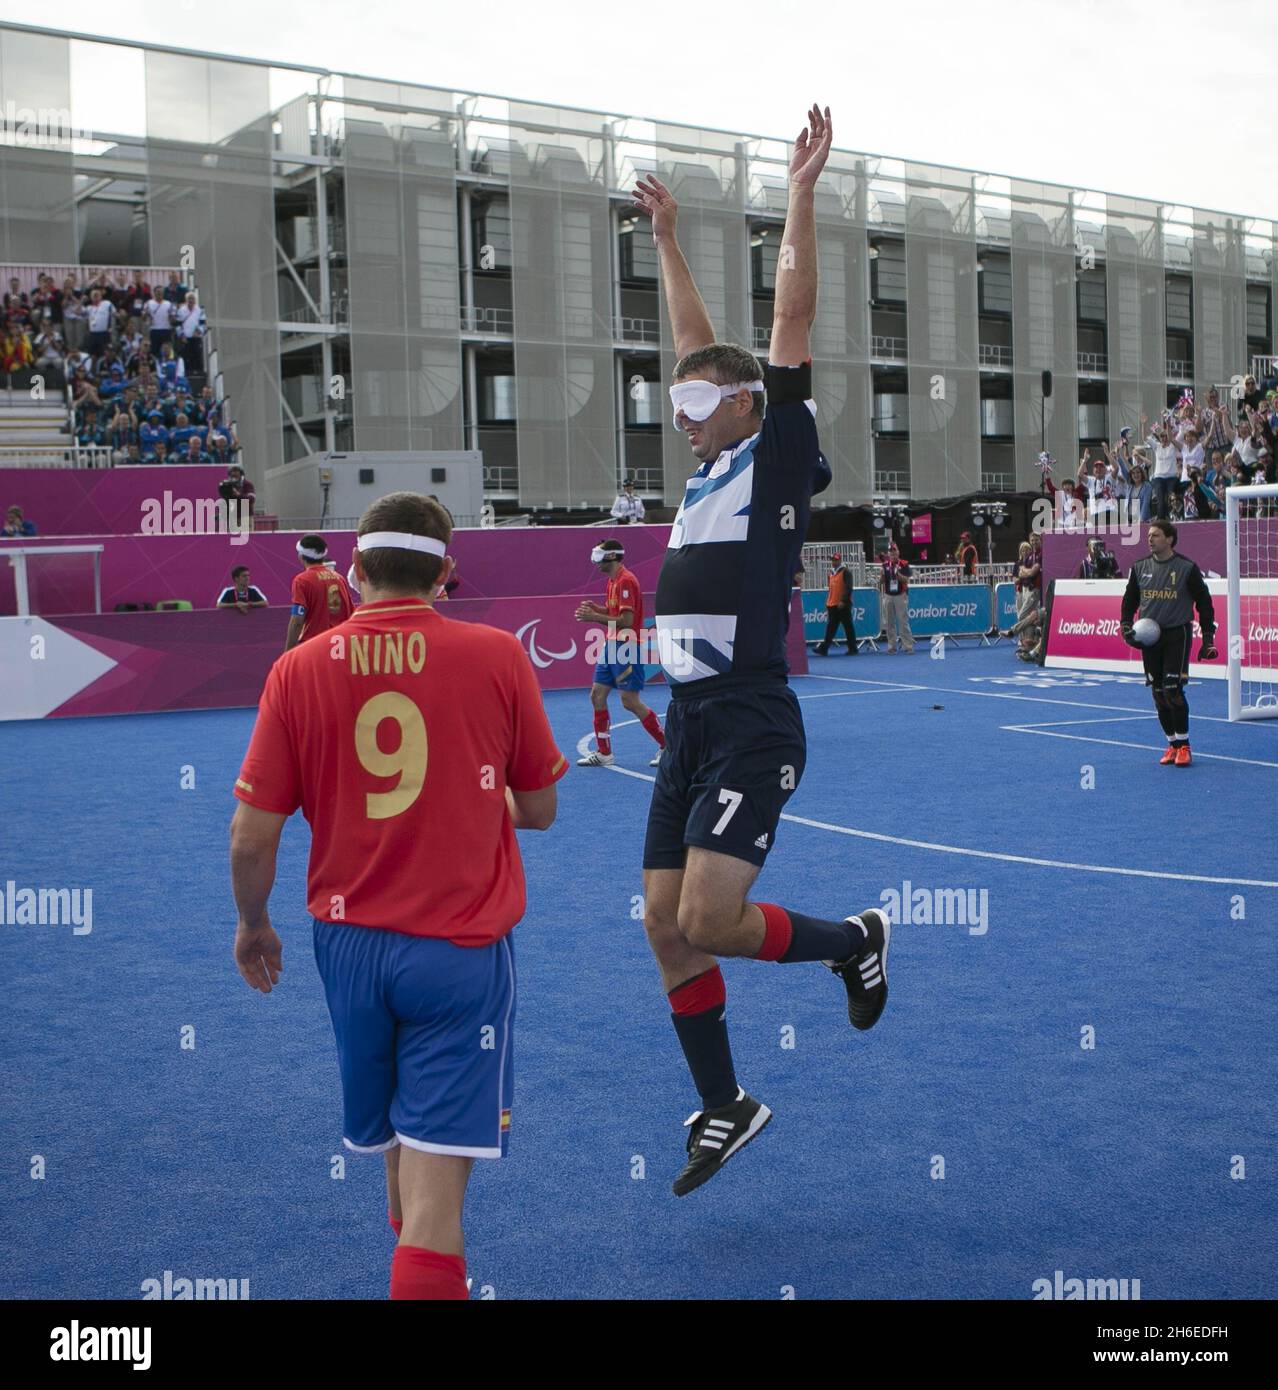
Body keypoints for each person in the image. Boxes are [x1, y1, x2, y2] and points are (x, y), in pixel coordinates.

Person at [630, 105, 889, 1197]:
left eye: (699, 400)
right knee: (661, 922)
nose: (681, 412)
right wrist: (670, 243)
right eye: (679, 399)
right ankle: (726, 1103)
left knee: (707, 917)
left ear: (746, 402)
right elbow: (701, 349)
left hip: (746, 716)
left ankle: (852, 940)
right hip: (689, 718)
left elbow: (787, 312)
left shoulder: (776, 445)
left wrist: (799, 191)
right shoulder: (706, 458)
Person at [230, 490, 567, 1300]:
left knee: (399, 1166)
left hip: (347, 950)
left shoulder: (296, 670)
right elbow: (542, 809)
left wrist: (252, 926)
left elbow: (251, 835)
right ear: (446, 572)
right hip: (458, 950)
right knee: (434, 1212)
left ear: (352, 571)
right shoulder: (494, 656)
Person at [1120, 520, 1217, 767]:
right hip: (1149, 637)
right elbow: (1129, 600)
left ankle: (1185, 745)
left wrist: (1208, 638)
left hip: (1177, 635)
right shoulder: (1140, 567)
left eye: (1156, 535)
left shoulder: (1186, 567)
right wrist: (1126, 627)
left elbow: (1204, 603)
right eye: (1149, 535)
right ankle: (1172, 744)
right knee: (1158, 692)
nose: (1150, 539)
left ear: (1170, 539)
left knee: (1173, 690)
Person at [575, 538, 665, 767]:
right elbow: (614, 613)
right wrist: (599, 610)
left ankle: (668, 747)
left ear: (612, 556)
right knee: (597, 695)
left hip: (626, 646)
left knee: (630, 701)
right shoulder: (612, 581)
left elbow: (626, 621)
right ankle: (604, 753)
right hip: (611, 645)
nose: (595, 562)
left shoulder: (626, 580)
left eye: (599, 556)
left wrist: (595, 618)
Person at [284, 534, 354, 650]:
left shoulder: (301, 580)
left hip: (315, 645)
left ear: (301, 557)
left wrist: (288, 652)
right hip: (340, 644)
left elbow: (297, 620)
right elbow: (350, 613)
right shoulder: (339, 578)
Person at [814, 551, 857, 655]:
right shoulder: (831, 573)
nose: (834, 562)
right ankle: (824, 649)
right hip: (832, 604)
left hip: (843, 604)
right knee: (831, 628)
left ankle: (853, 648)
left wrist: (844, 600)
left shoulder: (846, 572)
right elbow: (831, 589)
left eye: (836, 560)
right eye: (833, 560)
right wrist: (828, 601)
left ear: (840, 560)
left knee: (848, 627)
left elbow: (848, 587)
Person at [880, 541, 914, 652]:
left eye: (894, 551)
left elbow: (907, 580)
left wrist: (897, 574)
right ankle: (891, 646)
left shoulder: (904, 564)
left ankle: (908, 646)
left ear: (898, 552)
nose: (893, 554)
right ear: (888, 554)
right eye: (891, 552)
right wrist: (881, 577)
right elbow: (881, 582)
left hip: (900, 595)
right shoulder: (885, 565)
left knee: (903, 621)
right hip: (888, 595)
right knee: (889, 623)